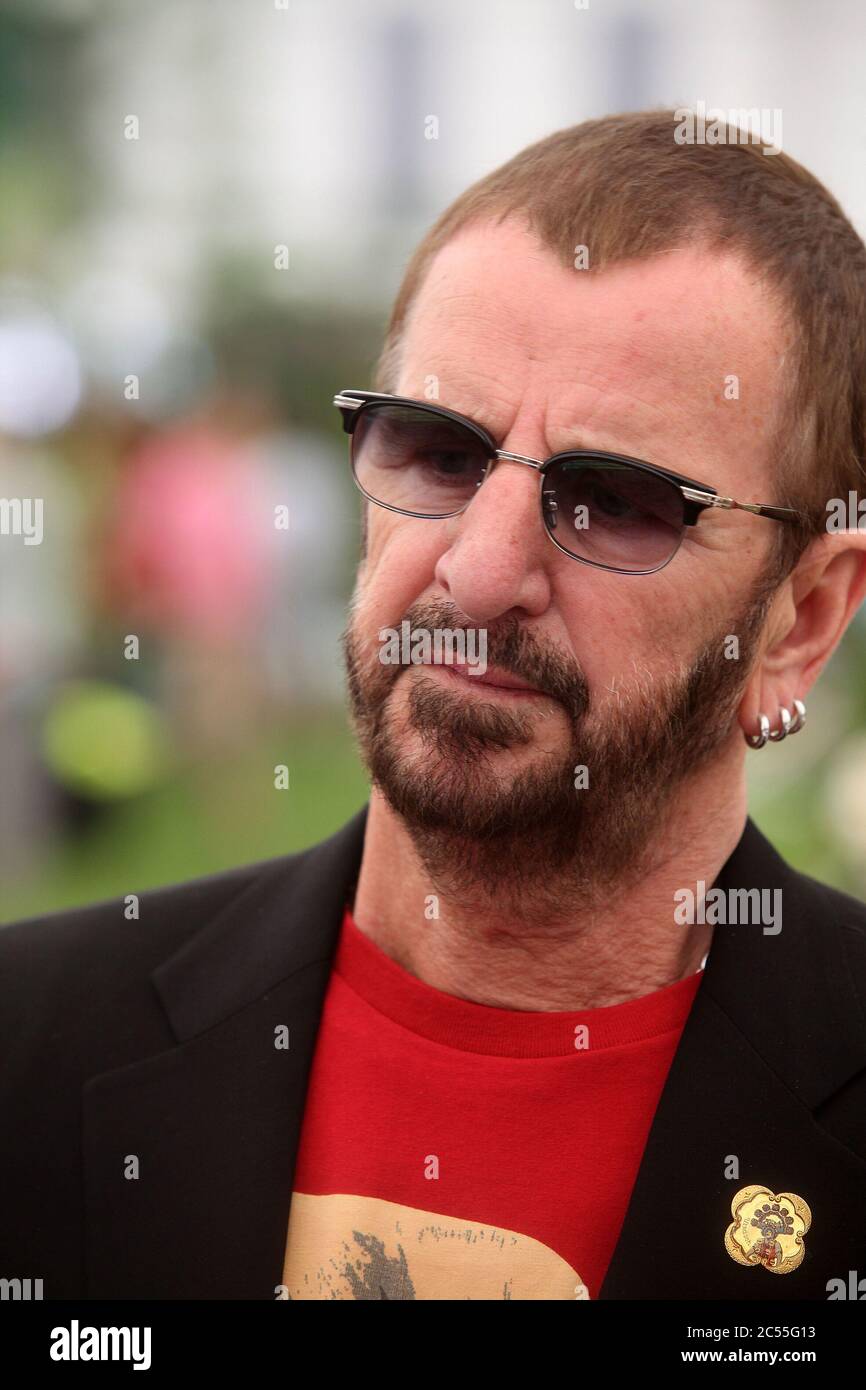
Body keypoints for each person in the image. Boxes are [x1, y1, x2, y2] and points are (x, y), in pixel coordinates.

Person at [3, 110, 866, 1302]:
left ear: (804, 619)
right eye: (436, 451)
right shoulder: (31, 1044)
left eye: (613, 501)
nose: (477, 569)